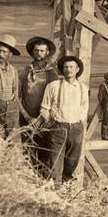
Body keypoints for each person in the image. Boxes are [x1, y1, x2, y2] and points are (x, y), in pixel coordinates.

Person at [39, 55, 89, 183]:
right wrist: (51, 124)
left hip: (76, 129)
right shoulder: (53, 86)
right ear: (62, 69)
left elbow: (84, 108)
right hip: (58, 127)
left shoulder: (83, 88)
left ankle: (66, 192)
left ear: (77, 69)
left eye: (72, 67)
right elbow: (44, 108)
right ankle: (55, 192)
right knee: (55, 164)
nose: (68, 69)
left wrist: (79, 123)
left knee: (72, 163)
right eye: (66, 67)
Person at [20, 36, 59, 169]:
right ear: (32, 52)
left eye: (42, 51)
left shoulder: (52, 73)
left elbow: (55, 99)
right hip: (27, 118)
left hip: (44, 119)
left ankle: (42, 182)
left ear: (47, 52)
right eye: (37, 50)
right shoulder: (25, 71)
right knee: (27, 151)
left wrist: (42, 117)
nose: (39, 54)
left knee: (44, 153)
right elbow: (18, 96)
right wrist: (26, 116)